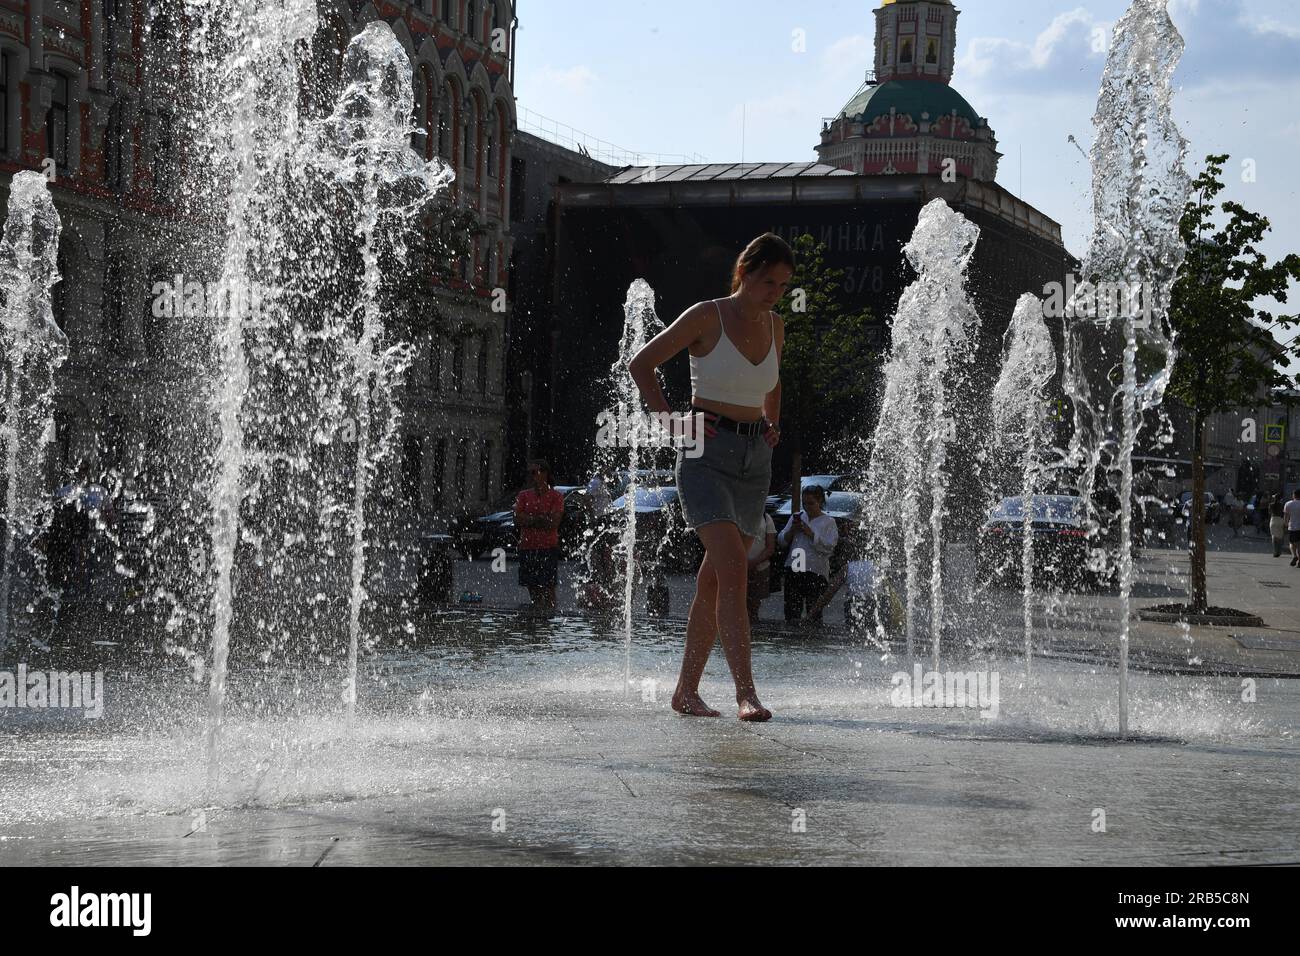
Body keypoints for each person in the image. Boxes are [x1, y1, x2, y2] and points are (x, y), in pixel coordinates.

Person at [629, 233, 792, 721]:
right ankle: (746, 693)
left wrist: (771, 424)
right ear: (745, 272)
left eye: (783, 286)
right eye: (768, 282)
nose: (775, 293)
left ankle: (685, 691)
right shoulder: (708, 315)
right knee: (735, 570)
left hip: (753, 462)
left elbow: (774, 383)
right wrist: (671, 422)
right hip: (705, 453)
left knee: (714, 582)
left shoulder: (777, 326)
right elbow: (643, 365)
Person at [778, 486, 839, 625]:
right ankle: (792, 639)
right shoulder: (797, 516)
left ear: (820, 502)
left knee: (814, 612)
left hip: (815, 570)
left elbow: (830, 547)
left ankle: (814, 640)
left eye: (811, 503)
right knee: (792, 611)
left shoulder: (828, 521)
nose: (807, 507)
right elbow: (781, 540)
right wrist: (792, 530)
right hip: (794, 566)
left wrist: (811, 534)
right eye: (804, 503)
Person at [514, 460, 564, 611]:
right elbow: (517, 519)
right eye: (530, 473)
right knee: (532, 585)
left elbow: (554, 522)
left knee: (548, 586)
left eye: (534, 472)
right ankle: (537, 612)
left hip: (547, 547)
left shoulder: (556, 496)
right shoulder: (523, 495)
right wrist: (540, 519)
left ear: (545, 474)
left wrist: (528, 519)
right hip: (527, 546)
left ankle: (549, 615)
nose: (531, 476)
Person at [745, 511, 777, 625]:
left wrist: (753, 563)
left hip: (760, 566)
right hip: (739, 567)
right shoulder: (737, 514)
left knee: (754, 601)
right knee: (739, 600)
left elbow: (770, 547)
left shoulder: (766, 518)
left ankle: (753, 627)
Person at [1286, 489, 1300, 567]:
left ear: (1294, 495)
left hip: (1292, 527)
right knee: (1299, 545)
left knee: (1292, 543)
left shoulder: (1288, 504)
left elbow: (1286, 517)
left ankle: (1294, 556)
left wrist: (1285, 525)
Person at [1270, 494, 1287, 558]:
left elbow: (1270, 512)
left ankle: (1275, 551)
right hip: (1280, 519)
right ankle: (1279, 551)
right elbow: (1284, 513)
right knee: (1280, 536)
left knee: (1274, 536)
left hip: (1273, 519)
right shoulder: (1282, 505)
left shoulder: (1271, 504)